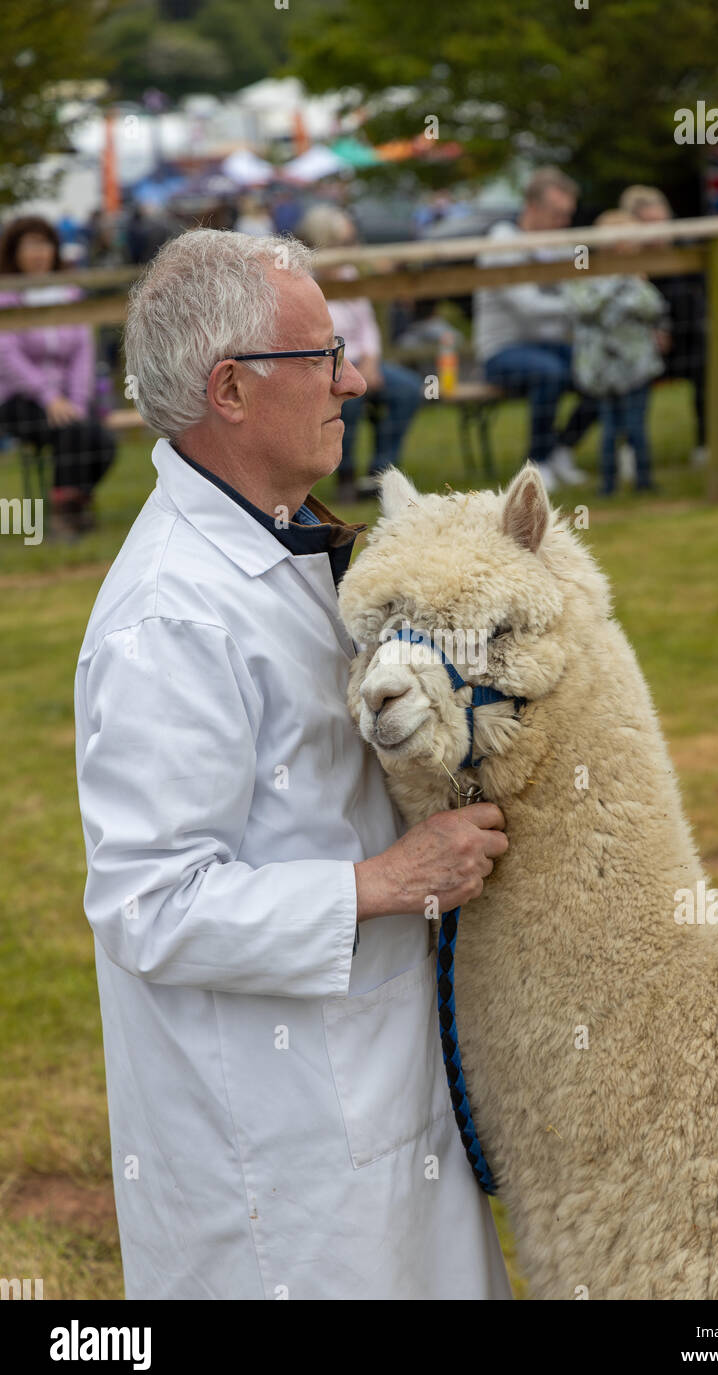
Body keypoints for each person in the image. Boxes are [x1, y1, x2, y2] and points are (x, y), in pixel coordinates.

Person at [74, 228, 512, 1301]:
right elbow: (148, 900)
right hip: (275, 1143)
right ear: (229, 389)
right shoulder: (167, 617)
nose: (354, 378)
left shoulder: (280, 535)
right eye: (321, 356)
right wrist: (383, 882)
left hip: (368, 1077)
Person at [473, 166, 590, 490]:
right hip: (502, 351)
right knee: (549, 373)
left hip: (549, 345)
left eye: (568, 215)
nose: (563, 223)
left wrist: (577, 303)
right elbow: (530, 309)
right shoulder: (501, 242)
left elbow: (573, 294)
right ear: (532, 207)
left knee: (600, 366)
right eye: (557, 214)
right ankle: (536, 465)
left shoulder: (558, 242)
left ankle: (562, 448)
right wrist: (579, 306)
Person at [296, 203, 422, 503]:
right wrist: (351, 367)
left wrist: (371, 361)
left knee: (409, 389)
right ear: (323, 244)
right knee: (346, 399)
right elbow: (316, 337)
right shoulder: (303, 281)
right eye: (344, 244)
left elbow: (368, 325)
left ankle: (381, 472)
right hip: (325, 364)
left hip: (361, 361)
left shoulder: (350, 273)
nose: (351, 249)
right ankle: (346, 474)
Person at [0, 216, 116, 537]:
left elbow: (82, 352)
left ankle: (71, 506)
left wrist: (76, 401)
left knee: (103, 442)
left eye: (44, 243)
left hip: (70, 398)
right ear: (15, 251)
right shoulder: (5, 297)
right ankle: (67, 518)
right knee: (71, 431)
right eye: (30, 245)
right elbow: (7, 357)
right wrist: (49, 398)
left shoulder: (70, 294)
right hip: (19, 399)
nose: (39, 252)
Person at [565, 210, 668, 495]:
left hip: (637, 366)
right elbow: (583, 308)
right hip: (603, 370)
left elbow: (654, 307)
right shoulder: (587, 276)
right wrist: (618, 286)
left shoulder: (638, 279)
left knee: (637, 426)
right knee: (609, 428)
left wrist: (630, 286)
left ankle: (644, 481)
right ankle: (608, 485)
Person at [620, 185, 708, 468]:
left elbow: (698, 308)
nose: (658, 233)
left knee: (709, 361)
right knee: (618, 373)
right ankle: (627, 449)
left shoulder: (687, 258)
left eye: (662, 223)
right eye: (649, 225)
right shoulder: (623, 264)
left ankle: (707, 444)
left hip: (685, 346)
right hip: (634, 348)